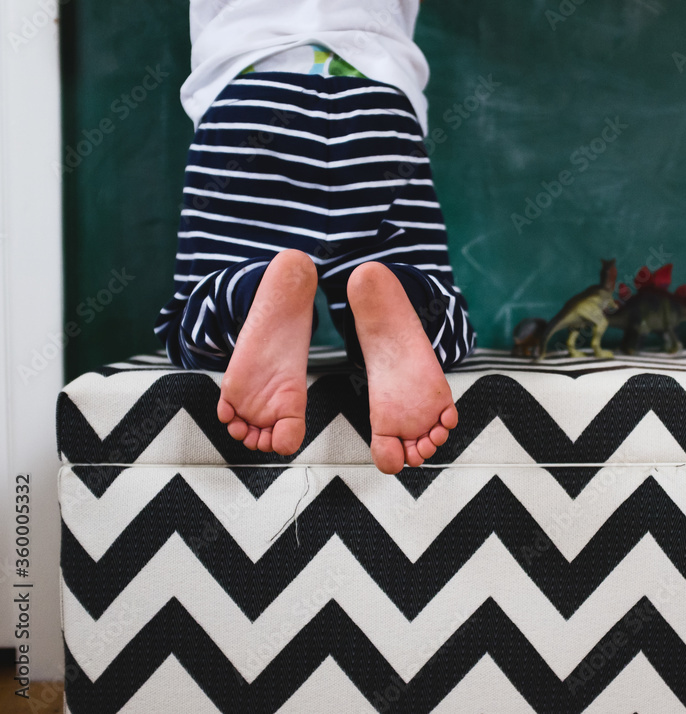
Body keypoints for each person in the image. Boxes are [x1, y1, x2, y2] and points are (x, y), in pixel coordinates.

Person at [154, 0, 476, 474]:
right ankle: (400, 293)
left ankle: (250, 297)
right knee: (441, 316)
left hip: (249, 95)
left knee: (193, 318)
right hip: (377, 99)